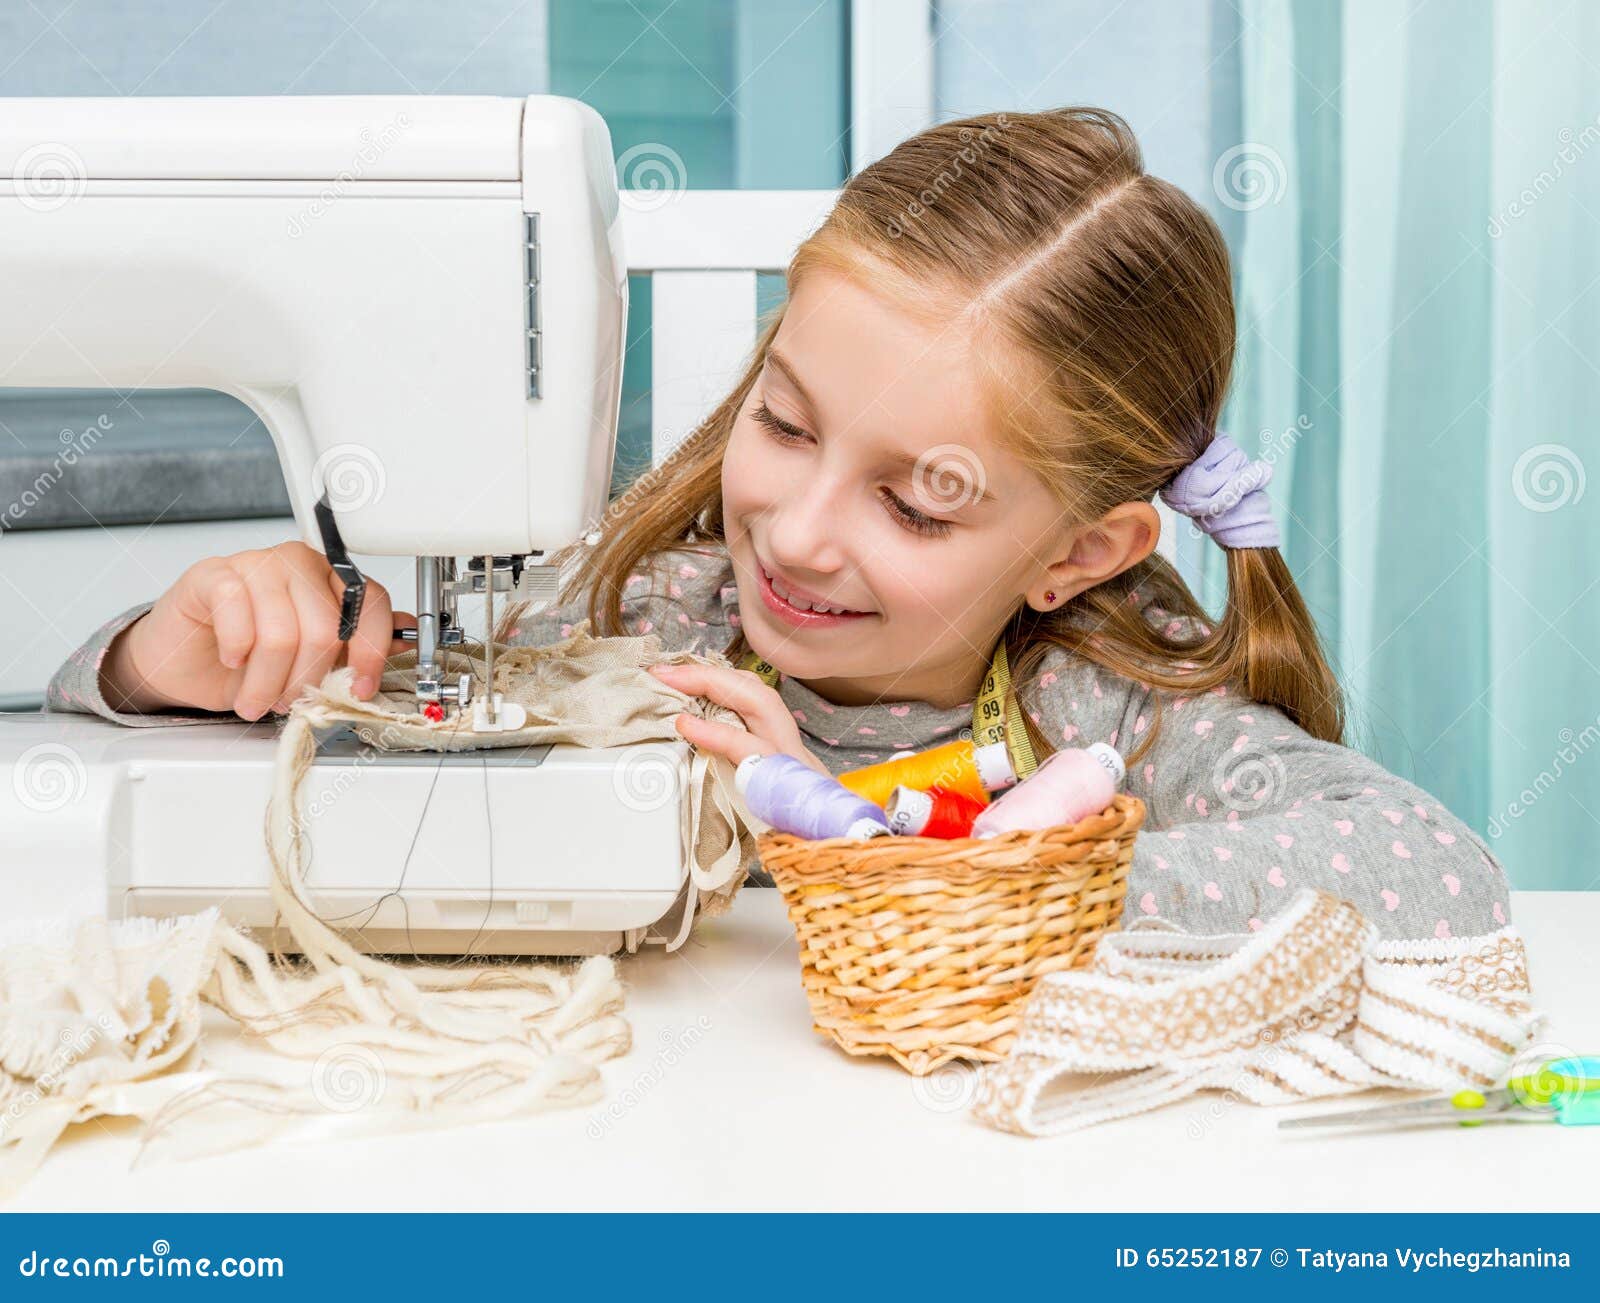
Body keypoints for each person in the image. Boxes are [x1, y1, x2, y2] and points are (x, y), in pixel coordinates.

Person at [44, 106, 1510, 941]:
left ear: (1078, 553)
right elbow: (372, 708)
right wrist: (165, 655)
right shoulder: (641, 618)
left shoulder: (1105, 702)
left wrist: (908, 856)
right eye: (787, 423)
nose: (796, 536)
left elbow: (1436, 874)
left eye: (919, 502)